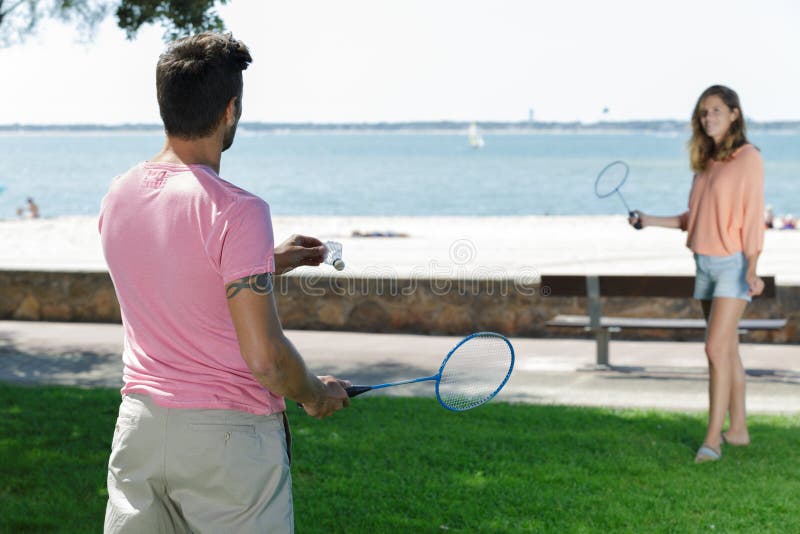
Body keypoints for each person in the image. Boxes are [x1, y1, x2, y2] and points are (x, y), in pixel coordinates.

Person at [99, 32, 351, 532]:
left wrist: (261, 262)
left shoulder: (119, 195)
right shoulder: (240, 211)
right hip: (228, 447)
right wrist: (313, 394)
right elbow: (267, 359)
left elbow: (171, 271)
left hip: (140, 431)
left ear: (165, 103)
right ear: (231, 110)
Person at [629, 85, 764, 464]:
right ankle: (737, 430)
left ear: (734, 114)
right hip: (702, 265)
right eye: (704, 112)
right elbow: (695, 218)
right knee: (726, 351)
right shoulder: (707, 160)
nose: (709, 118)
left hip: (733, 266)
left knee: (714, 349)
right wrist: (649, 220)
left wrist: (753, 268)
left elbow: (753, 218)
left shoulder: (748, 158)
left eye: (717, 111)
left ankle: (712, 441)